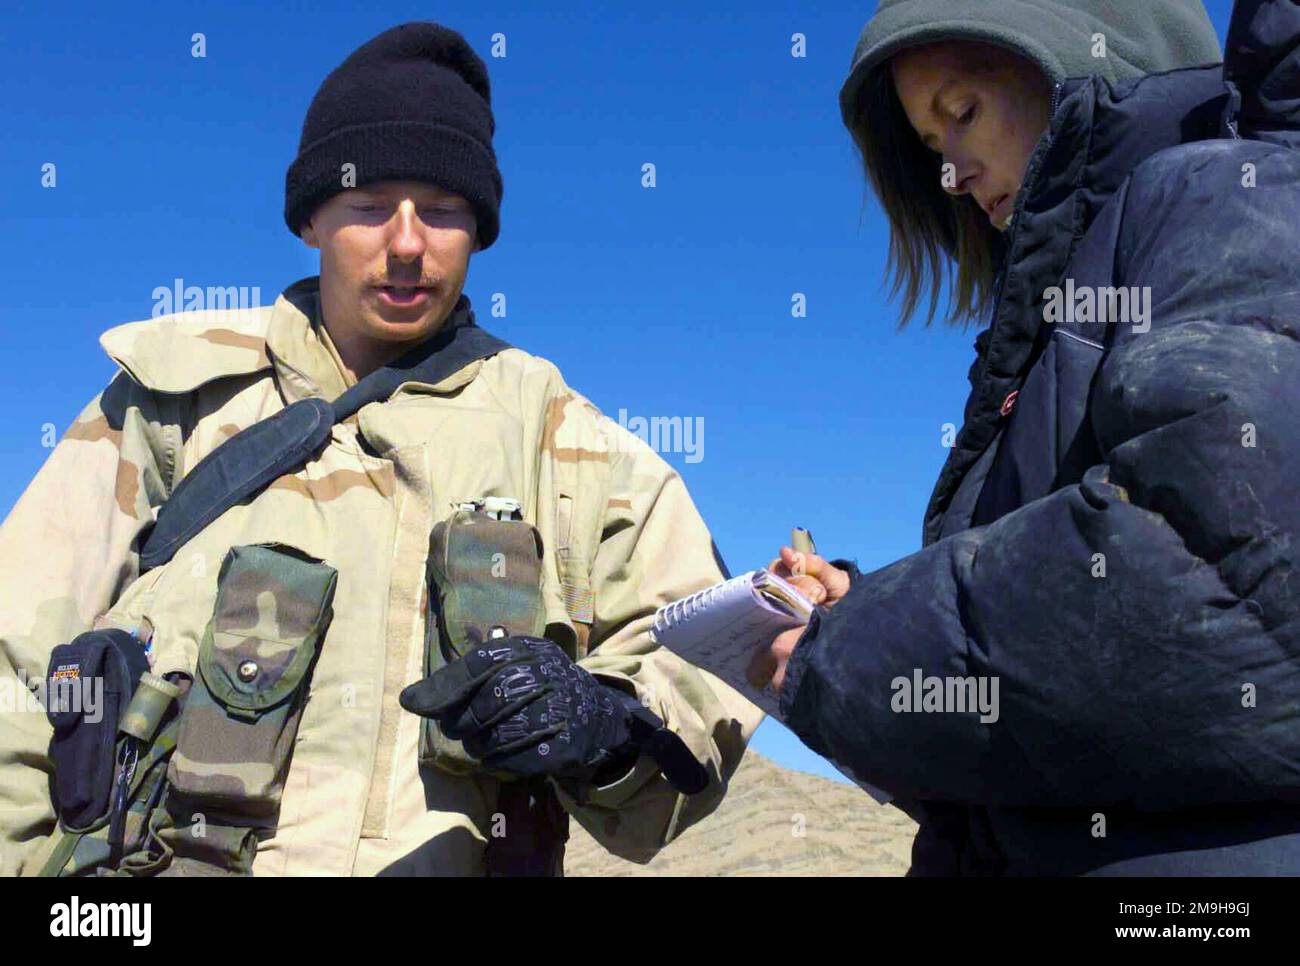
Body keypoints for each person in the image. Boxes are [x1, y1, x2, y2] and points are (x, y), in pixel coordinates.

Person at [0, 21, 760, 877]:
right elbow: (16, 663)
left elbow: (707, 661)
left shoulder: (565, 439)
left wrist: (607, 726)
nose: (407, 243)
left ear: (478, 229)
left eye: (441, 210)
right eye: (368, 206)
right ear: (311, 220)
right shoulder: (173, 398)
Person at [751, 0, 1300, 875]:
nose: (951, 176)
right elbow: (1036, 732)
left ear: (1093, 59)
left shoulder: (1233, 200)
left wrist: (843, 659)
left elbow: (1212, 574)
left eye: (961, 113)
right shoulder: (1060, 325)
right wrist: (863, 611)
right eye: (931, 150)